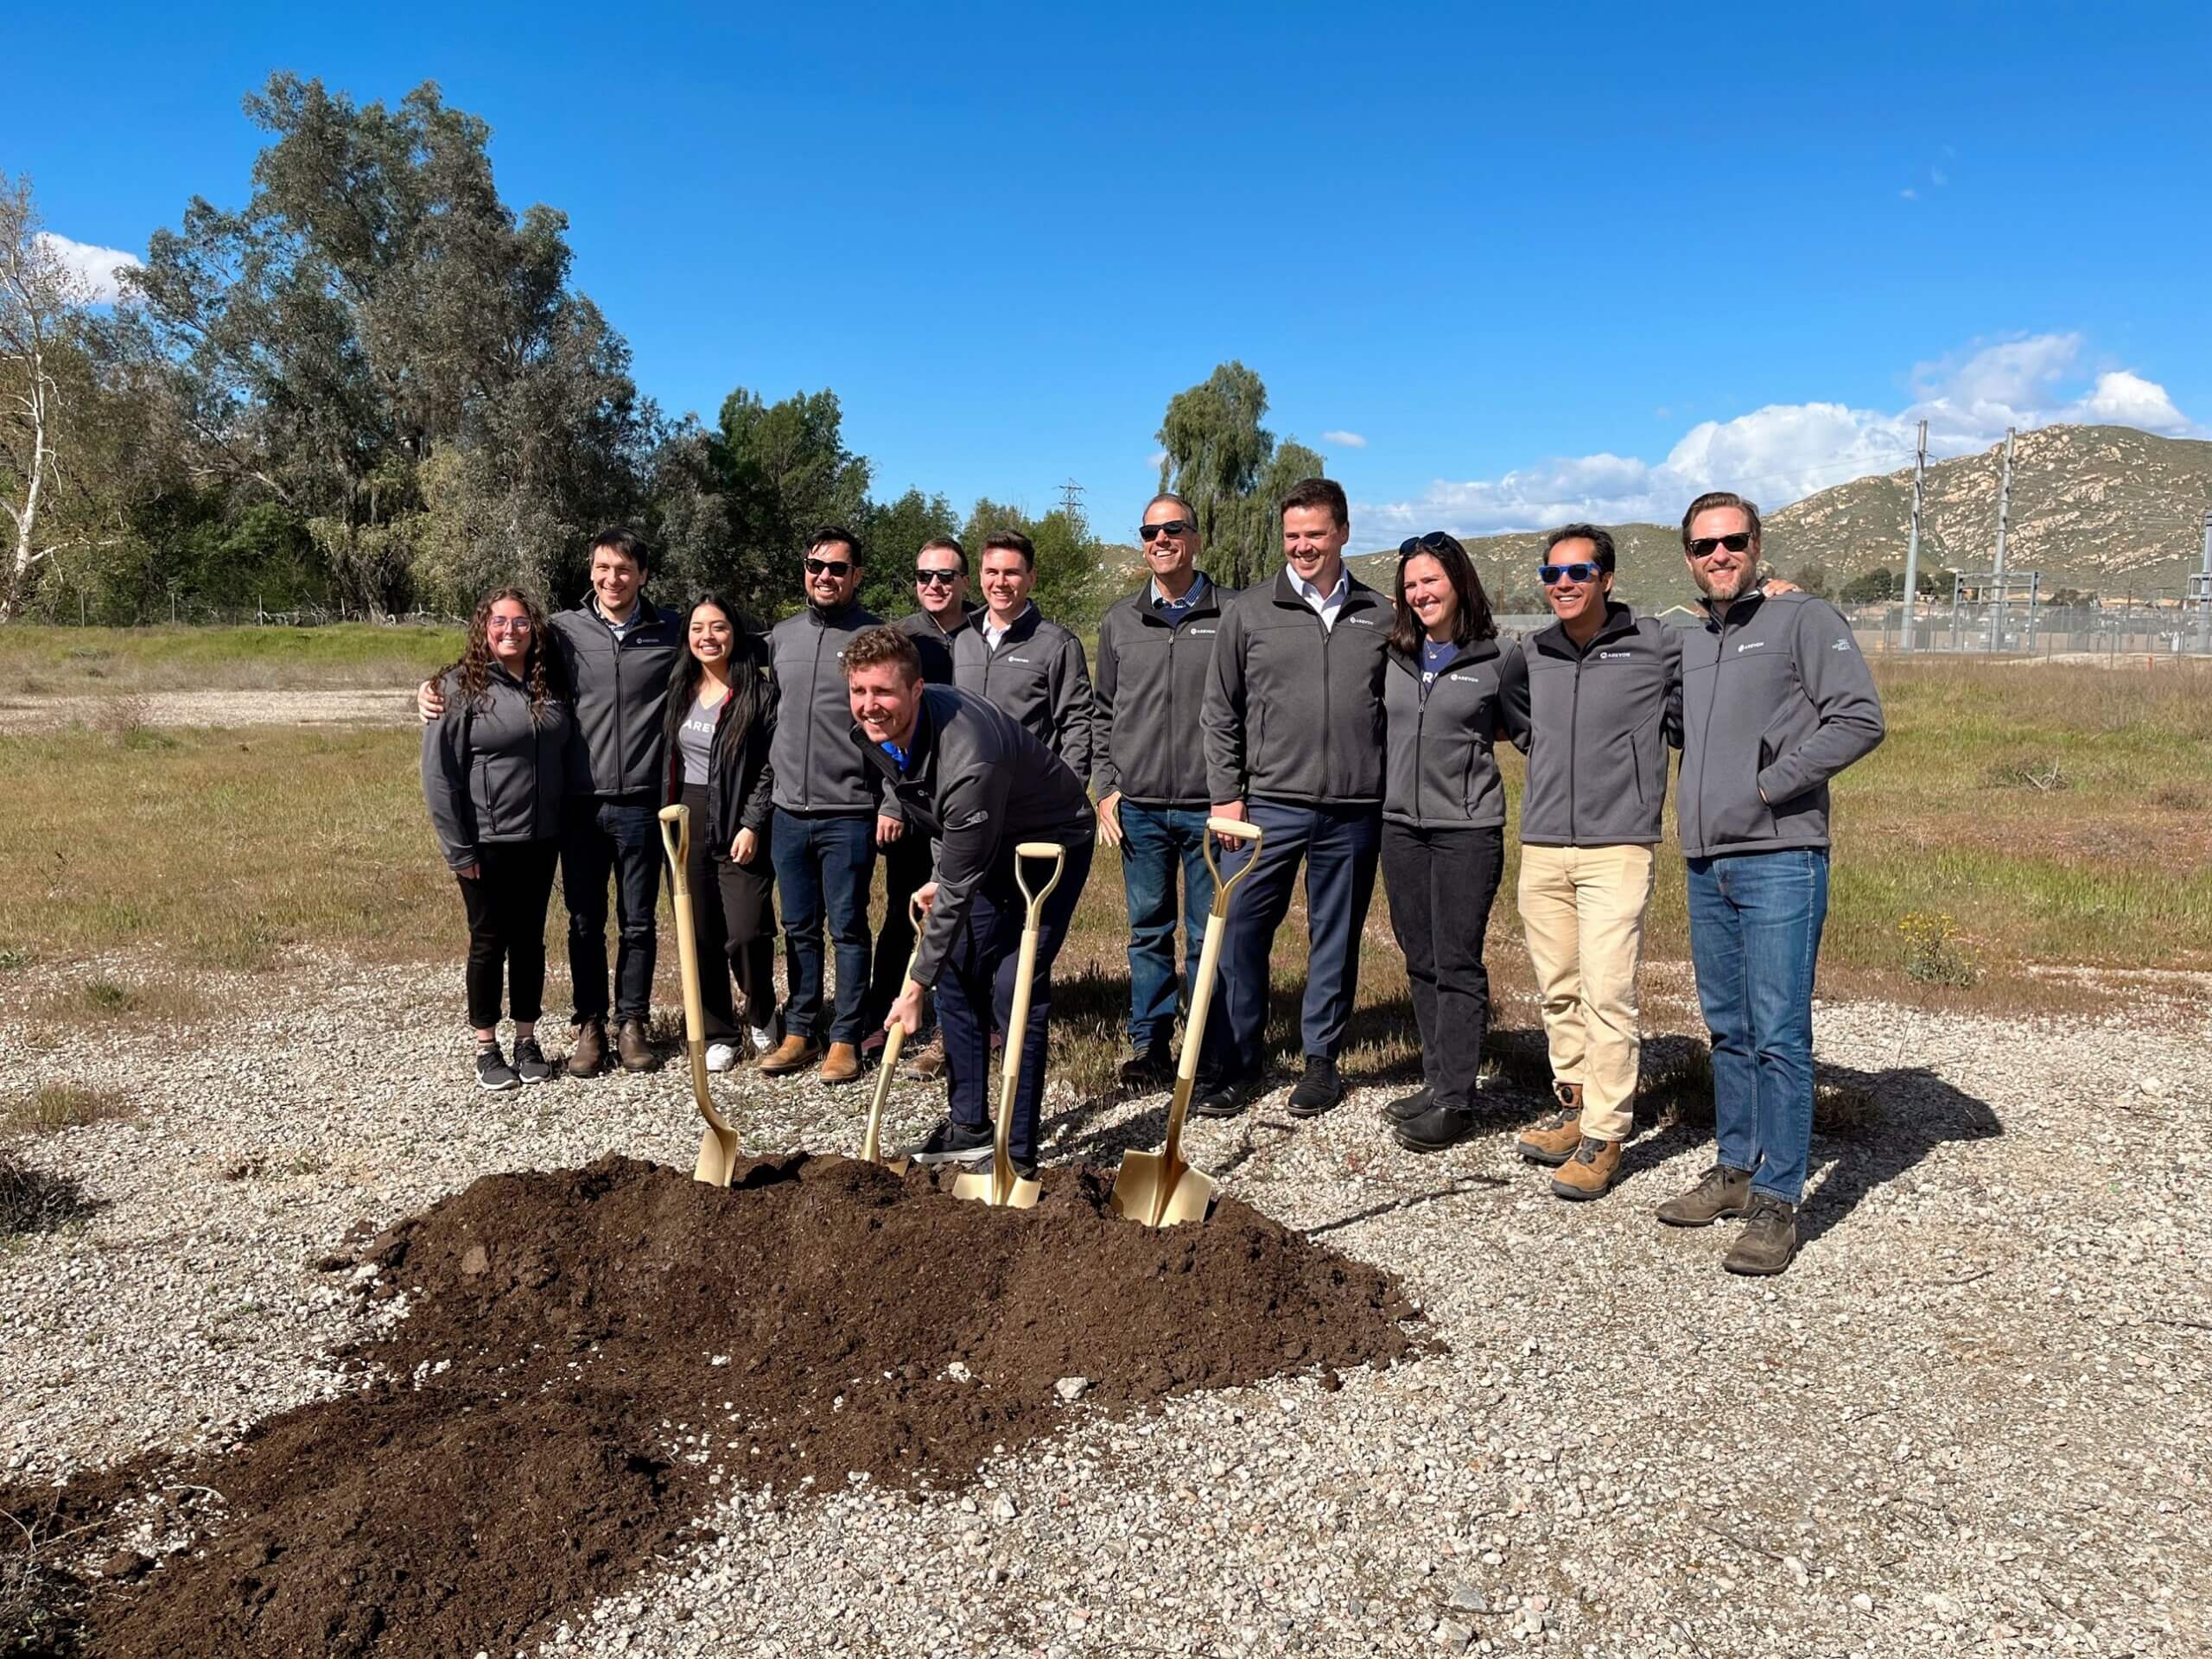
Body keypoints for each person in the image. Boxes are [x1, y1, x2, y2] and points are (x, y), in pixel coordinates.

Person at [1656, 492, 1885, 1274]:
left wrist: (1768, 786)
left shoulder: (1804, 620)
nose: (1718, 556)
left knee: (1780, 1030)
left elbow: (1858, 718)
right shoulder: (1688, 636)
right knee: (1728, 1026)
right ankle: (1735, 1169)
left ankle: (1779, 1201)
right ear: (1687, 554)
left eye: (1731, 542)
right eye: (1702, 546)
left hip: (1781, 856)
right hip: (1705, 861)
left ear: (1757, 545)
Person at [418, 529, 685, 1077]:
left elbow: (727, 645)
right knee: (583, 922)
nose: (614, 578)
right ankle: (588, 1024)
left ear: (642, 575)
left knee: (638, 922)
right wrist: (432, 688)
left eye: (625, 569)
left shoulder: (671, 630)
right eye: (604, 567)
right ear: (591, 572)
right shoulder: (562, 631)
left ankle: (631, 1024)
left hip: (640, 801)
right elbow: (490, 658)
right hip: (578, 807)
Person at [849, 626, 1096, 1178]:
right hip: (986, 837)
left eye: (883, 692)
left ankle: (1018, 1151)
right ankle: (969, 1126)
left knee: (1015, 985)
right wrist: (949, 869)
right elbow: (926, 798)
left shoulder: (971, 755)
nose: (869, 705)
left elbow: (959, 825)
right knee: (957, 967)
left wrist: (912, 990)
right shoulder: (874, 729)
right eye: (859, 690)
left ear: (917, 690)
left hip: (1050, 844)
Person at [1199, 476, 1391, 1120]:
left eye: (1314, 534)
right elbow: (1219, 709)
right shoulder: (1249, 611)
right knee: (1241, 933)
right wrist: (1227, 796)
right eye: (1292, 536)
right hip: (1267, 807)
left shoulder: (1381, 614)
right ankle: (1236, 1062)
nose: (1303, 547)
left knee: (1334, 936)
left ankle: (1320, 1062)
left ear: (1342, 532)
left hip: (1353, 810)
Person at [1503, 524, 1685, 1201]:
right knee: (1558, 986)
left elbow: (1721, 647)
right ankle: (1576, 1104)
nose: (1565, 584)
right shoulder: (1534, 651)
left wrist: (1778, 597)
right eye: (1553, 575)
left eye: (1578, 572)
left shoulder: (1659, 643)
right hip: (1545, 842)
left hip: (1619, 845)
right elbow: (1519, 718)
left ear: (1607, 578)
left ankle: (1607, 1135)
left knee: (1608, 992)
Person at [1376, 533, 1526, 1154]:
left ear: (1459, 583)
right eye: (1411, 585)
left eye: (1430, 581)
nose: (1420, 593)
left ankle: (1458, 1101)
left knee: (1457, 961)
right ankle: (1436, 1081)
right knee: (1419, 958)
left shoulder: (1499, 658)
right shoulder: (1395, 655)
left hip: (1466, 830)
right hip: (1400, 827)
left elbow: (1525, 730)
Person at [1094, 493, 1233, 1088]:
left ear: (1195, 539)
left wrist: (1236, 792)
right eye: (1150, 531)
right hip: (1141, 809)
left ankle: (1202, 1043)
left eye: (1172, 529)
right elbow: (1102, 712)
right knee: (1149, 930)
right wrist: (1104, 787)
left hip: (1210, 806)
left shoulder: (1233, 614)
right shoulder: (1120, 622)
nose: (1160, 540)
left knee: (1207, 933)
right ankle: (1150, 1042)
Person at [759, 525, 895, 1085]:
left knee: (848, 927)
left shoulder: (875, 638)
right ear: (805, 570)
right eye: (816, 565)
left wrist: (891, 800)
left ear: (856, 576)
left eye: (837, 568)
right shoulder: (781, 638)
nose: (825, 576)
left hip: (849, 811)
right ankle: (800, 1030)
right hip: (788, 812)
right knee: (798, 927)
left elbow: (893, 728)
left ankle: (845, 1037)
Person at [421, 588, 573, 1090]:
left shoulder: (547, 683)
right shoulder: (455, 688)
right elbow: (439, 775)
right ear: (483, 627)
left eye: (522, 623)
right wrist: (458, 849)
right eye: (500, 622)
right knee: (489, 940)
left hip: (541, 835)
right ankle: (486, 1048)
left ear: (535, 629)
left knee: (530, 940)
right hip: (485, 840)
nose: (511, 631)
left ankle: (527, 1040)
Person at [874, 535, 982, 1081]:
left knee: (967, 917)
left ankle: (954, 1032)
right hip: (914, 801)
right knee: (907, 913)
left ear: (965, 580)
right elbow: (885, 729)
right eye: (923, 577)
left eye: (945, 577)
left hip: (970, 803)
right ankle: (893, 1017)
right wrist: (893, 799)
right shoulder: (901, 638)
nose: (934, 586)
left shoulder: (984, 635)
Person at [664, 595, 781, 1072]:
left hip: (739, 815)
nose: (707, 637)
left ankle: (761, 1010)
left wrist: (753, 822)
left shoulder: (758, 692)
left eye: (718, 627)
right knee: (700, 930)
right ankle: (718, 1032)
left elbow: (772, 765)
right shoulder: (678, 687)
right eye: (697, 628)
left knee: (747, 929)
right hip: (685, 813)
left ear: (736, 633)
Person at [950, 529, 1095, 777]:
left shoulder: (1057, 645)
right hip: (970, 794)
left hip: (1031, 799)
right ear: (980, 576)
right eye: (992, 572)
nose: (1000, 583)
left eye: (1012, 573)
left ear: (1032, 578)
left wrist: (1067, 793)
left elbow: (1078, 726)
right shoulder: (963, 641)